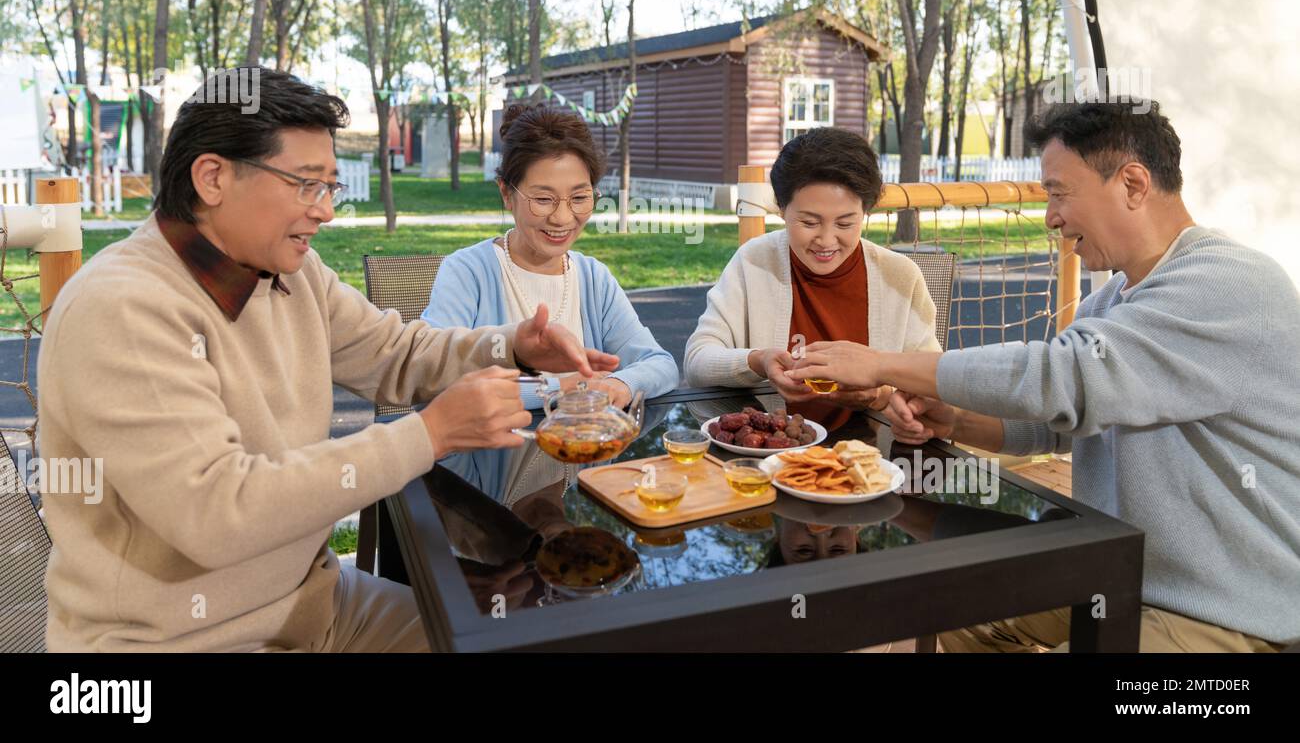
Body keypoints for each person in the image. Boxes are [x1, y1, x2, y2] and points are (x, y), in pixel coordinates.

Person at [37, 69, 616, 652]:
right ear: (212, 177)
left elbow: (394, 353)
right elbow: (217, 513)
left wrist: (511, 345)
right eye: (305, 184)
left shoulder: (290, 270)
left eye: (330, 187)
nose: (326, 212)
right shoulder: (122, 308)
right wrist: (429, 435)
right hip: (179, 641)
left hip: (317, 605)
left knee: (525, 636)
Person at [789, 100, 1300, 652]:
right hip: (1115, 574)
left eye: (1059, 192)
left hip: (1230, 614)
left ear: (1132, 183)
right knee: (941, 610)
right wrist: (955, 418)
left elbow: (1062, 375)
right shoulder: (1112, 300)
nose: (1052, 216)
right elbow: (1056, 424)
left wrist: (880, 362)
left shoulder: (1230, 284)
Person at [423, 102, 678, 494]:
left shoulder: (592, 277)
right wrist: (570, 391)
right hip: (487, 490)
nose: (562, 219)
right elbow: (435, 376)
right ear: (507, 194)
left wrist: (617, 387)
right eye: (543, 199)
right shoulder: (468, 272)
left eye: (580, 198)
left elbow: (660, 364)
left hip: (582, 484)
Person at [684, 127, 940, 431]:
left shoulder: (900, 276)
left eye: (846, 222)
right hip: (770, 458)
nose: (826, 240)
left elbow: (931, 379)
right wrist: (759, 360)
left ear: (865, 212)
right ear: (781, 209)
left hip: (868, 461)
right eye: (809, 222)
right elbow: (698, 360)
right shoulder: (754, 261)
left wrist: (883, 398)